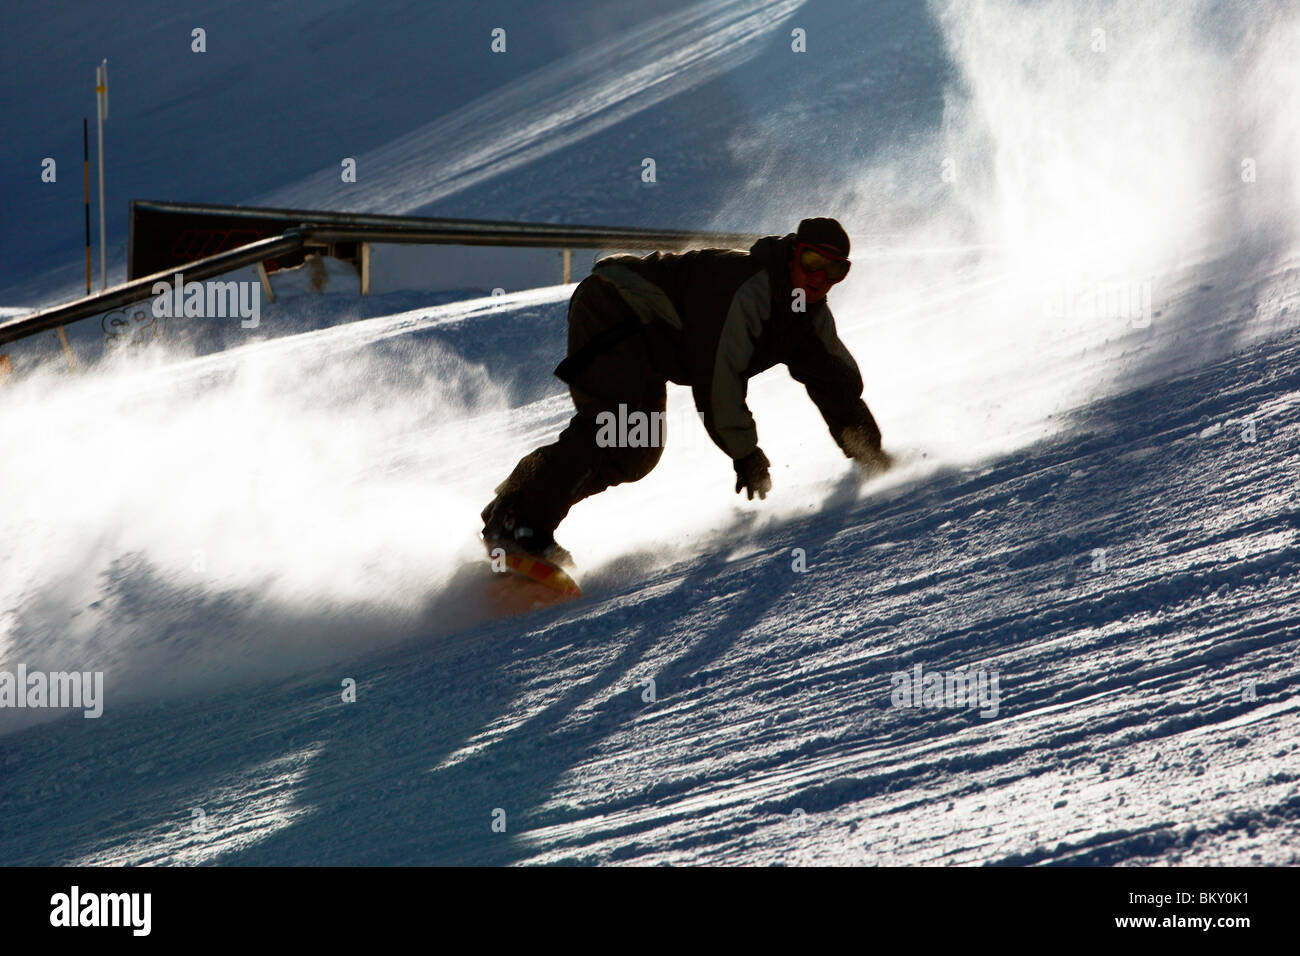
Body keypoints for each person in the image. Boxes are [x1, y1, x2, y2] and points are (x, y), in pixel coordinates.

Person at [481, 216, 891, 561]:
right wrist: (745, 452)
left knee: (636, 451)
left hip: (646, 340)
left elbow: (837, 387)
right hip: (616, 307)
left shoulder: (806, 318)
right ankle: (519, 520)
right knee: (622, 433)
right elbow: (717, 380)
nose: (819, 277)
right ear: (792, 255)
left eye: (834, 269)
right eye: (812, 260)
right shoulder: (750, 288)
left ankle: (515, 508)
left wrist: (870, 453)